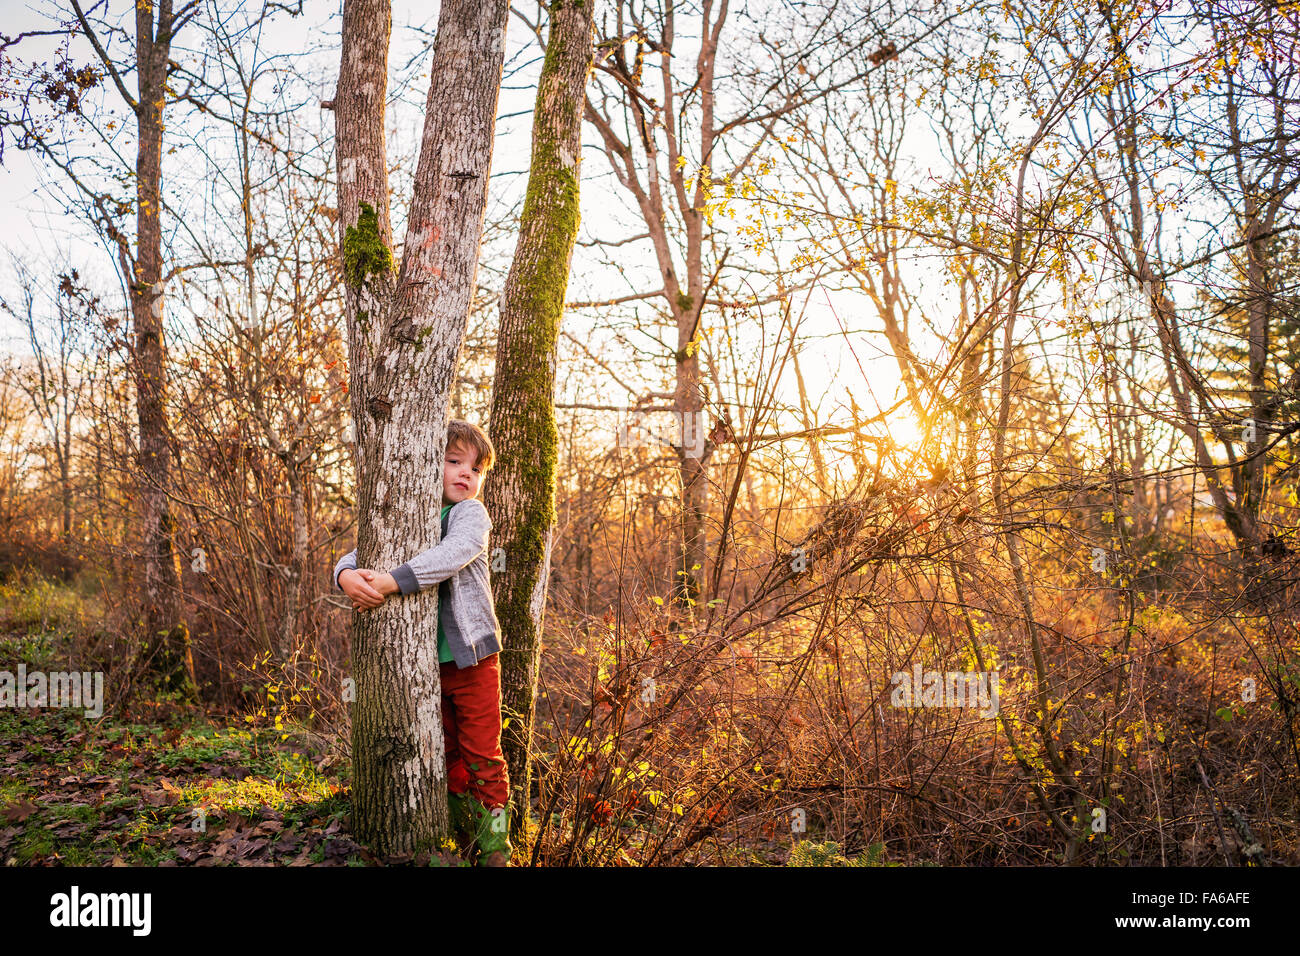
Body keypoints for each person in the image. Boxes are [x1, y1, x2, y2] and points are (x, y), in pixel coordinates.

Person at [334, 419, 512, 866]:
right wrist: (347, 575)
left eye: (475, 469)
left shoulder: (470, 514)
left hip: (473, 661)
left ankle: (495, 847)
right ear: (426, 462)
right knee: (446, 753)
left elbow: (453, 554)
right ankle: (462, 832)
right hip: (425, 669)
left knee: (482, 754)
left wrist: (393, 581)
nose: (465, 475)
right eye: (454, 462)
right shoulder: (407, 513)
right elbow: (358, 552)